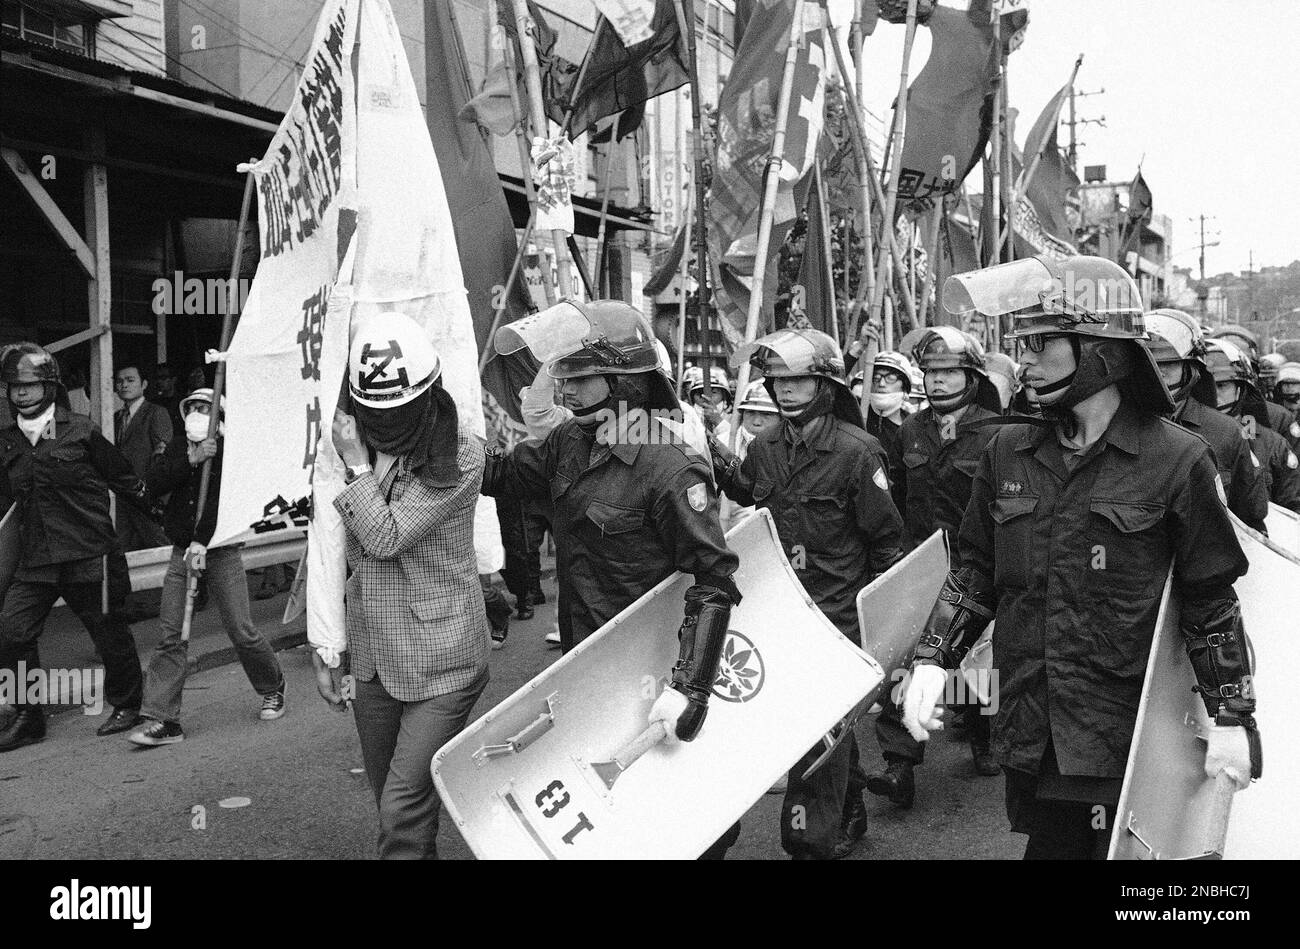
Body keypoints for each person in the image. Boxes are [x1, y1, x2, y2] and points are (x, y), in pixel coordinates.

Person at [898, 255, 1260, 859]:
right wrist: (935, 658)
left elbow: (1210, 597)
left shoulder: (1177, 459)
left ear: (1099, 349)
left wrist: (1231, 716)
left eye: (1042, 343)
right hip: (1033, 721)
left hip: (1123, 729)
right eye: (1024, 345)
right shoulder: (1006, 452)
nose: (1026, 361)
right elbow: (976, 572)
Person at [483, 300, 743, 858]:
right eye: (564, 375)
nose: (565, 389)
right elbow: (500, 475)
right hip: (584, 655)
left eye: (580, 376)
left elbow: (715, 578)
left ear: (624, 382)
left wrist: (692, 686)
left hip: (652, 666)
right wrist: (427, 424)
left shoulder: (671, 466)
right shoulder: (566, 442)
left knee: (687, 797)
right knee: (615, 794)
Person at [710, 327, 906, 860]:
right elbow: (747, 493)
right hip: (780, 609)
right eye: (777, 380)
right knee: (818, 724)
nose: (785, 389)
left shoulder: (859, 452)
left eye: (798, 379)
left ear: (825, 385)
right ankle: (850, 807)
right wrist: (707, 451)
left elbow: (888, 543)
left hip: (840, 614)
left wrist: (884, 627)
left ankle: (809, 839)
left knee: (818, 729)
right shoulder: (766, 446)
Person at [314, 312, 490, 860]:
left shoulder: (462, 453)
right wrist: (329, 646)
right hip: (373, 660)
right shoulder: (352, 440)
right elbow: (329, 544)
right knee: (396, 808)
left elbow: (387, 537)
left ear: (427, 396)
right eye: (375, 412)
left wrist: (356, 467)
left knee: (400, 807)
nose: (384, 424)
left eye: (398, 412)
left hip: (445, 662)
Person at [870, 328, 1005, 805]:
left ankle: (984, 736)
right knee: (908, 657)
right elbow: (899, 502)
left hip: (979, 567)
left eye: (950, 372)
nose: (939, 382)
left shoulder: (997, 434)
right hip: (923, 566)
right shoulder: (910, 431)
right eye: (931, 373)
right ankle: (899, 764)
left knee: (978, 661)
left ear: (971, 376)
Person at [0, 343, 146, 751]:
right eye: (14, 388)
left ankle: (128, 704)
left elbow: (126, 481)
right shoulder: (7, 440)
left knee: (108, 630)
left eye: (29, 386)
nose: (21, 394)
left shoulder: (81, 430)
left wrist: (174, 520)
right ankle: (29, 716)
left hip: (88, 553)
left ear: (50, 387)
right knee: (11, 632)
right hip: (35, 559)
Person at [127, 389, 287, 746]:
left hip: (221, 551)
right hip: (182, 553)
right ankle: (163, 719)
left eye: (206, 408)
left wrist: (205, 538)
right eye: (194, 407)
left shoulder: (234, 454)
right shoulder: (178, 447)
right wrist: (193, 459)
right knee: (172, 634)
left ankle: (272, 686)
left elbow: (226, 503)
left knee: (241, 629)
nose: (199, 413)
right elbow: (152, 485)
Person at [1205, 340, 1300, 515]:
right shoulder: (1184, 442)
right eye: (1207, 386)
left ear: (1241, 389)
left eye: (1222, 386)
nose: (1213, 394)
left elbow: (1293, 511)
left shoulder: (1273, 445)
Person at [112, 363, 172, 552]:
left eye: (130, 380)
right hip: (122, 495)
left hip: (146, 495)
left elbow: (162, 456)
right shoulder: (115, 417)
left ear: (144, 384)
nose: (124, 385)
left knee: (160, 544)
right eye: (120, 381)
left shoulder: (156, 412)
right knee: (120, 548)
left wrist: (153, 492)